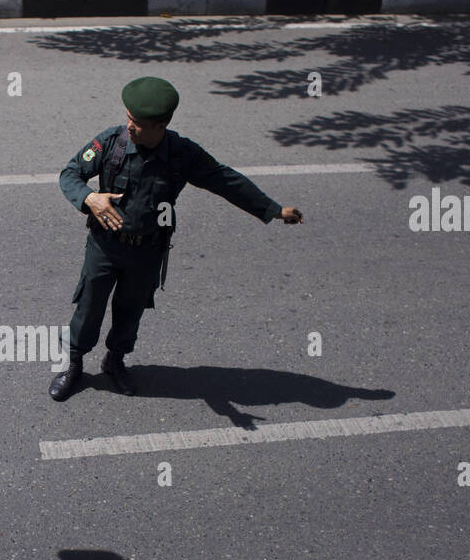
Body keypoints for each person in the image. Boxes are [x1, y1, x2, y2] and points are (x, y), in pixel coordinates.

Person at [51, 77, 304, 401]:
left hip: (147, 253)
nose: (129, 126)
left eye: (137, 123)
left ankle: (115, 361)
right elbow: (69, 174)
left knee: (130, 312)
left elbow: (226, 180)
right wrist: (90, 199)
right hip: (105, 245)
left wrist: (273, 209)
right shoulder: (111, 142)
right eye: (128, 118)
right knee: (88, 307)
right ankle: (74, 363)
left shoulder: (182, 154)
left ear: (161, 126)